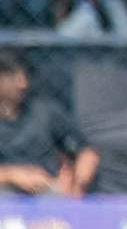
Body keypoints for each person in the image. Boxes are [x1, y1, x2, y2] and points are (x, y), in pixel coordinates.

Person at [0, 50, 100, 195]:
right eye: (13, 76)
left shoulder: (45, 112)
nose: (23, 83)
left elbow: (87, 152)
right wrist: (11, 175)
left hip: (47, 191)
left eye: (24, 75)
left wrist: (78, 185)